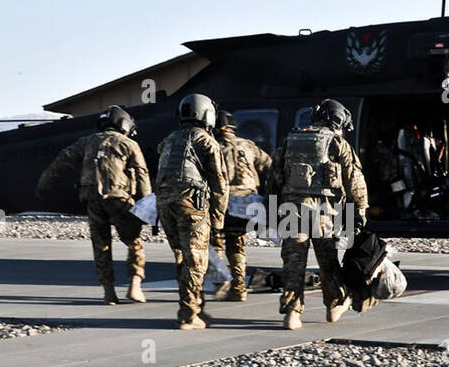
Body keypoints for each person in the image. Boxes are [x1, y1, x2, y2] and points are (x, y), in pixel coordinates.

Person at [36, 105, 150, 305]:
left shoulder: (86, 142)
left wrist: (44, 183)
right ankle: (135, 285)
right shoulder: (129, 144)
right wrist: (148, 206)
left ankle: (109, 292)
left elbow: (62, 160)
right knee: (134, 242)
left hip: (92, 200)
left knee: (101, 245)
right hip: (119, 199)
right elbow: (142, 175)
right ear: (124, 123)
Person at [272, 97, 367, 330]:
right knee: (328, 261)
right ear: (337, 121)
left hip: (291, 209)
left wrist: (273, 209)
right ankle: (334, 305)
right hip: (324, 211)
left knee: (293, 263)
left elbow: (275, 177)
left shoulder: (290, 138)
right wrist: (360, 211)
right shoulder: (337, 143)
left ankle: (292, 314)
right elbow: (354, 181)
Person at [155, 93, 227, 330]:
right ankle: (188, 314)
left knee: (183, 256)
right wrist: (218, 220)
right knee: (196, 260)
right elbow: (219, 182)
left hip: (165, 203)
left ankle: (192, 306)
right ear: (208, 114)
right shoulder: (206, 140)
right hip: (190, 203)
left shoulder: (168, 139)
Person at [212, 110, 273, 301]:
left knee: (215, 245)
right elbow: (270, 165)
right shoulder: (249, 145)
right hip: (247, 204)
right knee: (237, 246)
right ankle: (239, 289)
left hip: (222, 203)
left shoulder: (212, 146)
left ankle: (221, 279)